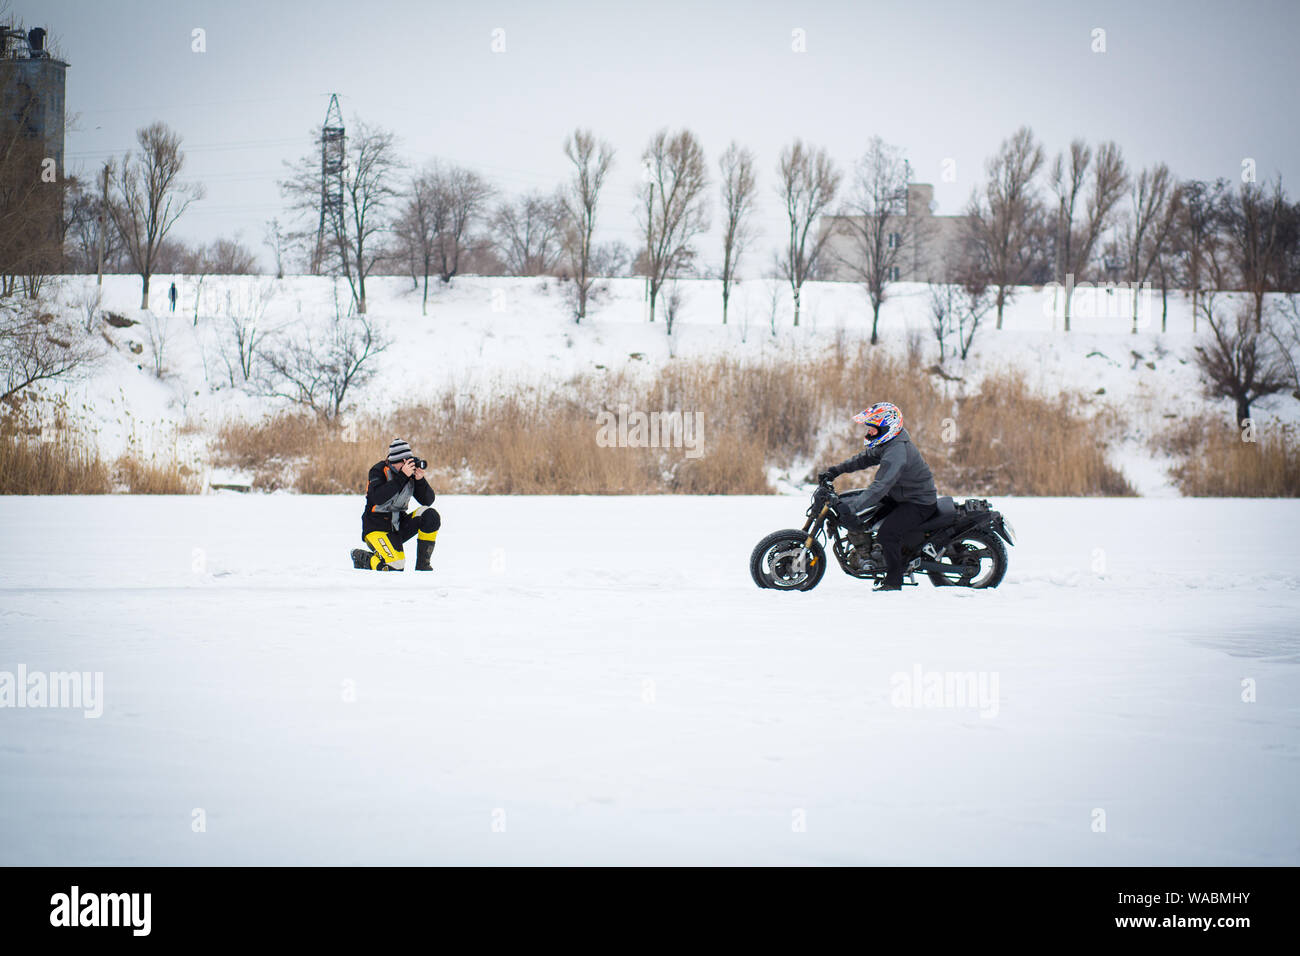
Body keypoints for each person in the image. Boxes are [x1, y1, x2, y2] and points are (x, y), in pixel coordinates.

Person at [818, 403, 937, 591]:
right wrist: (835, 471)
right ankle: (872, 555)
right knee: (866, 520)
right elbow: (864, 459)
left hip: (918, 502)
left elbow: (880, 486)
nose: (869, 432)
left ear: (887, 427)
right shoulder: (889, 443)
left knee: (887, 534)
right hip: (901, 496)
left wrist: (853, 508)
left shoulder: (896, 452)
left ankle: (893, 581)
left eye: (872, 428)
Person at [351, 438, 440, 571]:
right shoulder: (378, 471)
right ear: (395, 462)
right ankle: (364, 558)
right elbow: (378, 498)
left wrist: (420, 480)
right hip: (376, 528)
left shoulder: (409, 474)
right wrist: (402, 476)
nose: (408, 465)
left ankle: (423, 565)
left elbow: (428, 501)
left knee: (430, 515)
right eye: (404, 462)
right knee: (395, 567)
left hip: (398, 526)